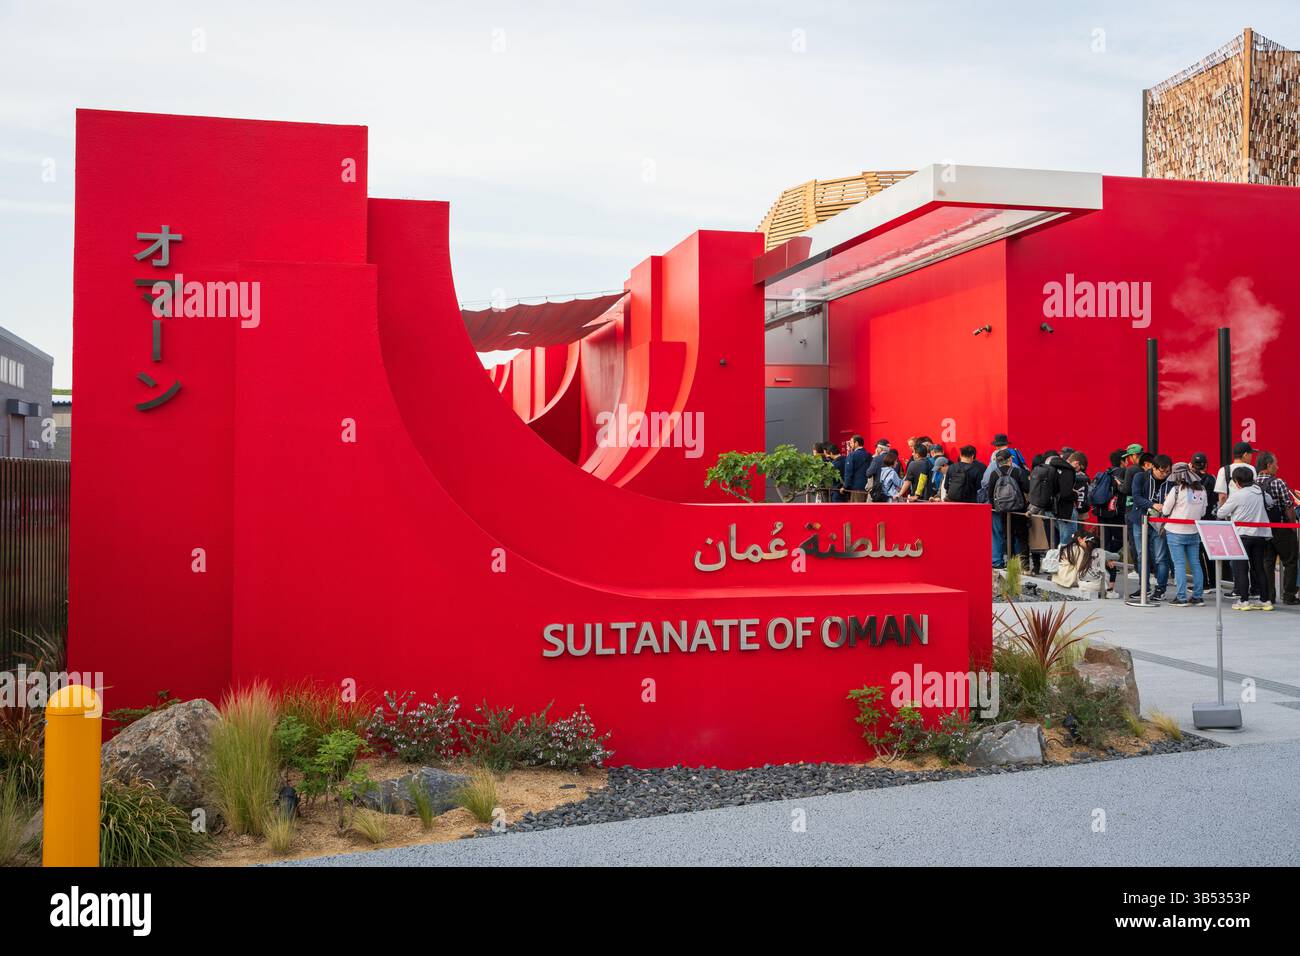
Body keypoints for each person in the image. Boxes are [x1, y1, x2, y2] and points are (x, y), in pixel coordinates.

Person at [1218, 466, 1273, 611]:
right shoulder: (1260, 492)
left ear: (1237, 481)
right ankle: (1265, 600)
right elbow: (1270, 502)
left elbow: (1221, 513)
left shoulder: (1238, 495)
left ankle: (1244, 600)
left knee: (1241, 569)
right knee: (1259, 568)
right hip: (1260, 535)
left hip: (1242, 535)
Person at [1161, 462, 1209, 606]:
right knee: (1195, 563)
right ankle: (1197, 596)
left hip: (1175, 531)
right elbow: (1203, 512)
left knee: (1179, 565)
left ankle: (1181, 597)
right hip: (1194, 531)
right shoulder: (1201, 490)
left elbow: (1165, 511)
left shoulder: (1176, 490)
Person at [1257, 452, 1298, 605]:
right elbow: (1288, 506)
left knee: (1268, 562)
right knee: (1290, 561)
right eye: (1276, 463)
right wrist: (1292, 525)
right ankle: (1289, 595)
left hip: (1263, 528)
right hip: (1281, 527)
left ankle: (1269, 596)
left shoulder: (1254, 482)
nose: (1278, 466)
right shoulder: (1278, 482)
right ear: (1269, 465)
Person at [1132, 454, 1173, 599]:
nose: (1164, 474)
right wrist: (1152, 504)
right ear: (1152, 467)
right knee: (1141, 555)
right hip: (1140, 520)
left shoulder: (1171, 482)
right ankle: (1144, 587)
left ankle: (1160, 589)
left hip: (1160, 523)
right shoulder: (1140, 477)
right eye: (1161, 471)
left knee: (1161, 557)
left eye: (1167, 471)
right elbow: (1136, 497)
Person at [988, 448, 1029, 568]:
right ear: (1010, 459)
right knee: (1022, 537)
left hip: (1003, 511)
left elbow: (990, 494)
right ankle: (1025, 565)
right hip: (1019, 509)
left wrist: (997, 507)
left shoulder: (994, 473)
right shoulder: (1018, 472)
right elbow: (1027, 488)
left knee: (1008, 536)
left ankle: (1011, 565)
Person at [1190, 452, 1220, 590]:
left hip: (1197, 521)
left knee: (1198, 554)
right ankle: (1213, 582)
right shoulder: (1212, 479)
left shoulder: (1192, 482)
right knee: (1209, 553)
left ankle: (1204, 584)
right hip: (1211, 520)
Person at [1215, 442, 1256, 506]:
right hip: (1249, 511)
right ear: (1245, 455)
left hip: (1231, 513)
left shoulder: (1224, 470)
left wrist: (1224, 513)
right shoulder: (1252, 469)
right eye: (1250, 454)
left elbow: (1222, 496)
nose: (1252, 457)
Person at [843, 435, 869, 500]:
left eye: (851, 442)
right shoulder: (869, 455)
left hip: (856, 488)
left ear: (856, 443)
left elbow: (848, 473)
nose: (850, 444)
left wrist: (845, 486)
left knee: (856, 509)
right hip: (867, 487)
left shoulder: (852, 455)